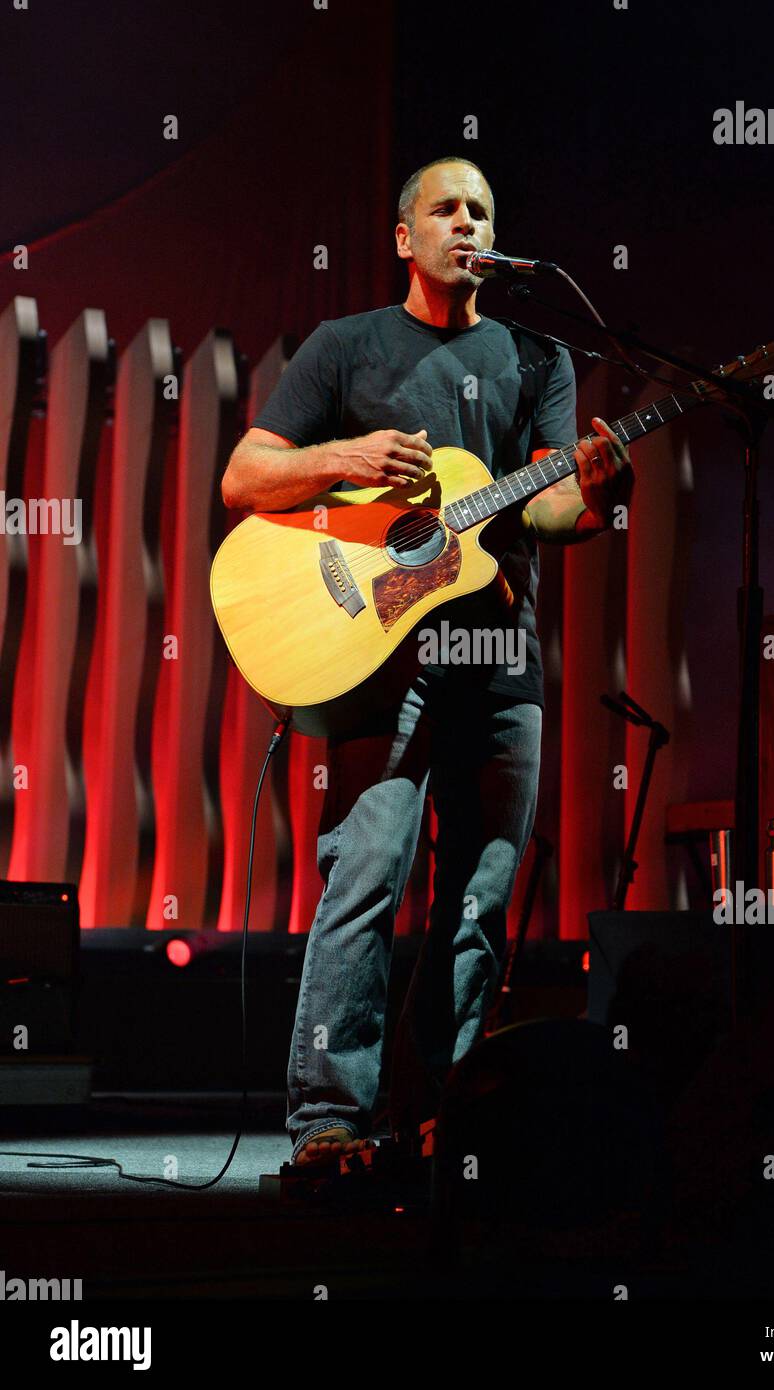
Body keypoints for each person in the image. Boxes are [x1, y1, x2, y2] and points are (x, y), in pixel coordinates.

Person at [220, 157, 635, 1166]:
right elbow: (244, 476)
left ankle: (441, 1126)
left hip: (497, 661)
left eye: (481, 210)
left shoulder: (537, 356)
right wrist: (347, 458)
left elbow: (548, 507)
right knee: (365, 872)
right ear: (405, 237)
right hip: (376, 656)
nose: (467, 222)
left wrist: (597, 494)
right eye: (446, 208)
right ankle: (329, 1122)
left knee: (480, 904)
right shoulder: (345, 345)